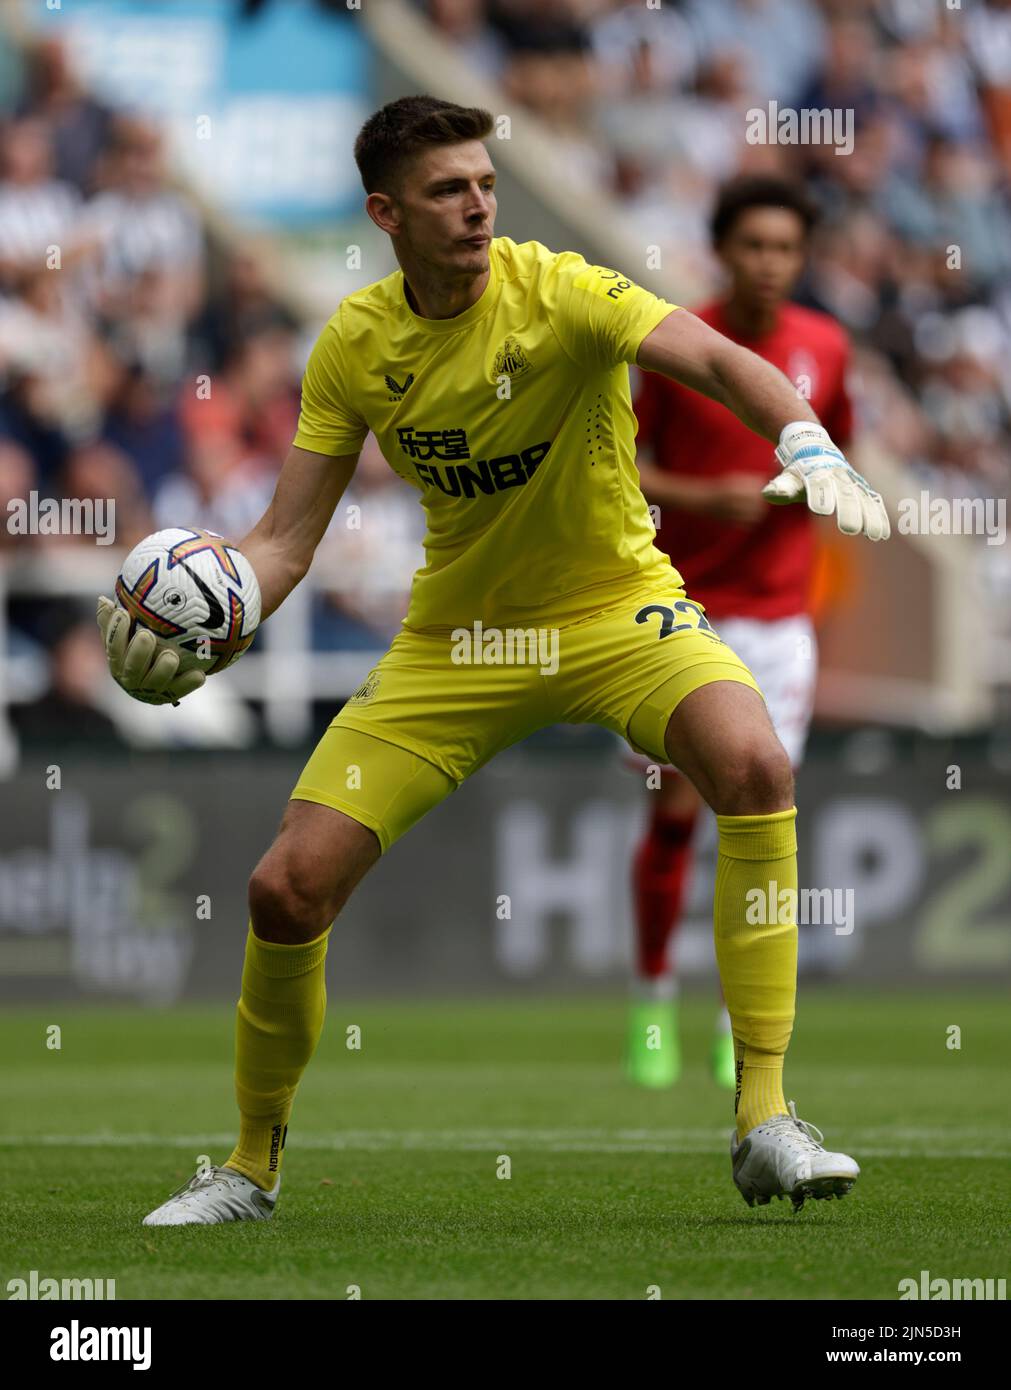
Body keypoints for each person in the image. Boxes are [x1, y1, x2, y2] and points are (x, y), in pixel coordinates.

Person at [96, 96, 888, 1224]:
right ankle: (248, 1167)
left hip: (620, 612)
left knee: (756, 765)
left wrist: (802, 438)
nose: (476, 208)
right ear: (386, 213)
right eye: (446, 192)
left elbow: (717, 358)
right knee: (286, 887)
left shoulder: (561, 290)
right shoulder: (357, 344)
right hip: (455, 646)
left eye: (484, 184)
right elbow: (280, 542)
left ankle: (765, 1119)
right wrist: (223, 619)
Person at [625, 175, 853, 1092]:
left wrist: (819, 483)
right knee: (676, 812)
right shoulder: (684, 344)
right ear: (722, 250)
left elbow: (836, 450)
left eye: (784, 247)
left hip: (780, 621)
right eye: (752, 245)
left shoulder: (828, 347)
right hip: (684, 615)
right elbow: (625, 466)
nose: (768, 263)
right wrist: (700, 496)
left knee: (757, 815)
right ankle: (650, 1002)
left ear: (803, 258)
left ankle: (734, 1023)